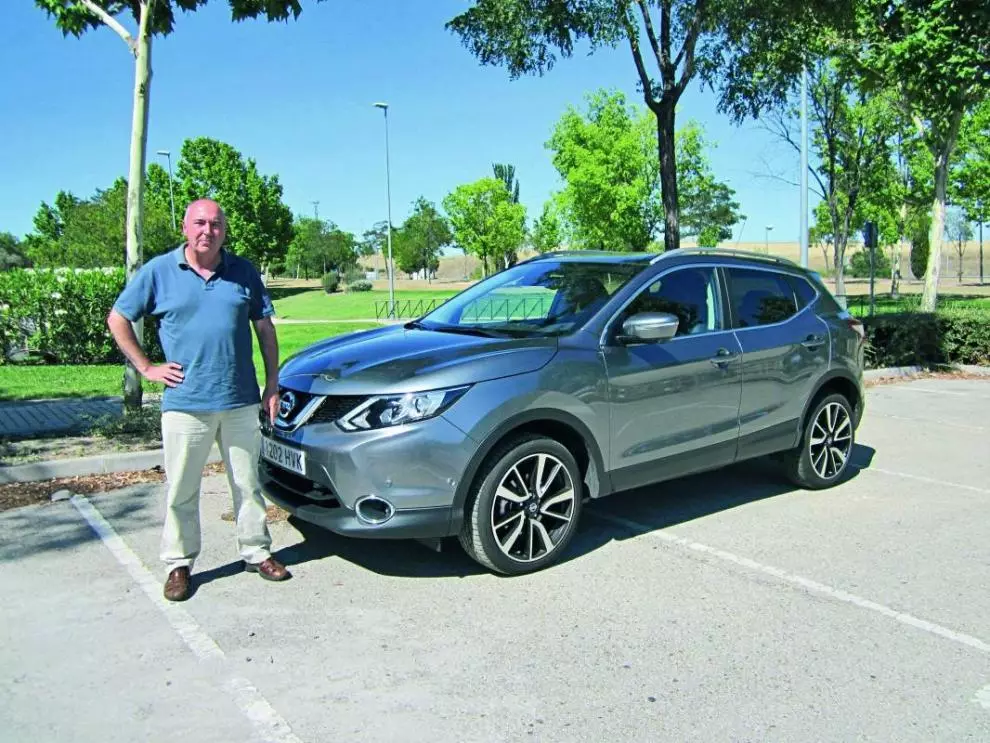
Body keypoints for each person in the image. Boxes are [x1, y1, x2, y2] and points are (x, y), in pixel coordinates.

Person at [107, 198, 290, 602]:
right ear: (186, 229)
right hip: (186, 403)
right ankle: (179, 563)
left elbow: (265, 329)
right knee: (182, 490)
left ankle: (257, 551)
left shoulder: (243, 272)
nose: (209, 230)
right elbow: (118, 318)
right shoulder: (159, 271)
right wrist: (146, 367)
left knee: (247, 484)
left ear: (225, 230)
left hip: (241, 400)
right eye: (200, 223)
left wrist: (271, 383)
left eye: (217, 224)